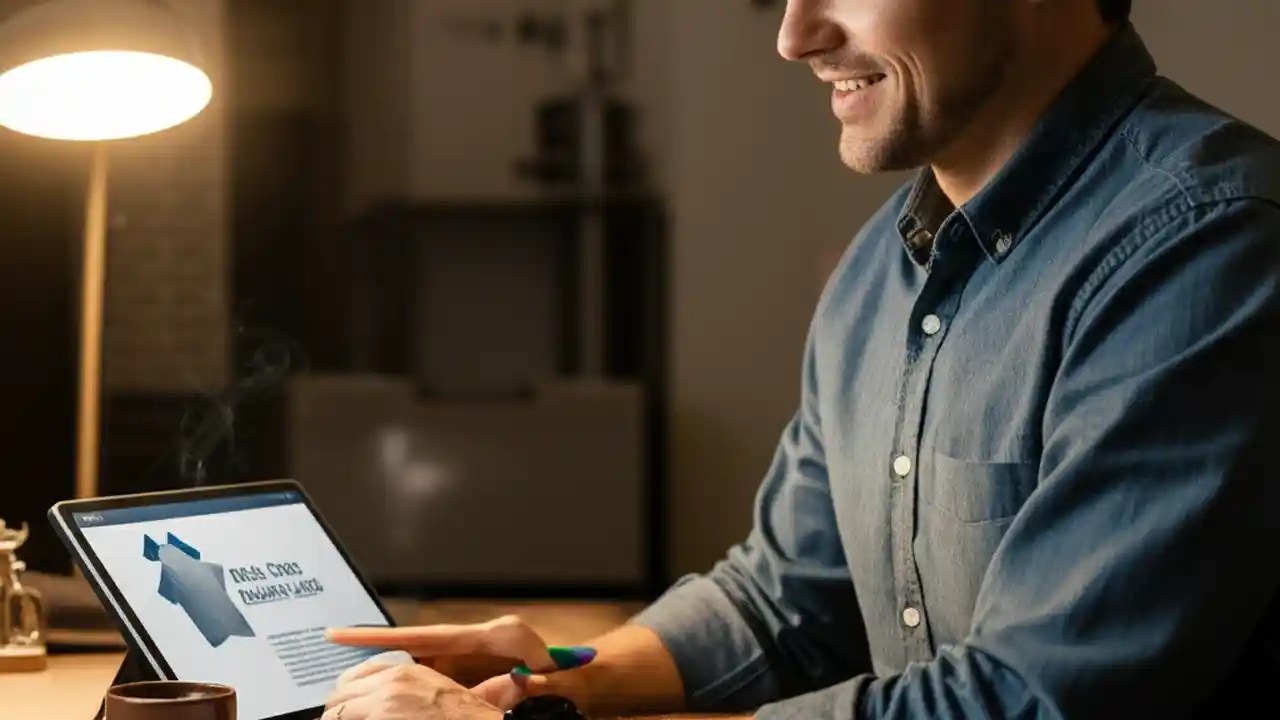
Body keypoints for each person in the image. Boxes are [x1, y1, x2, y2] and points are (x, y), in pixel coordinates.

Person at [321, 0, 1280, 717]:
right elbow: (786, 595)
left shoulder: (1208, 244)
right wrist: (548, 682)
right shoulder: (881, 269)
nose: (795, 35)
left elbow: (1035, 697)